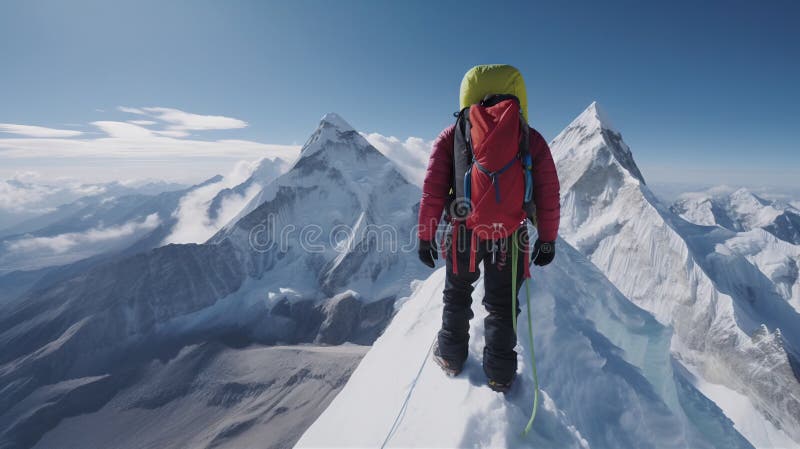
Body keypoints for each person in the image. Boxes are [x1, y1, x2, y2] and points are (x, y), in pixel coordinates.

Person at [416, 64, 560, 392]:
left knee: (457, 294)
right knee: (502, 302)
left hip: (464, 231)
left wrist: (426, 235)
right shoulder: (529, 137)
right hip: (510, 235)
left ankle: (451, 356)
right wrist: (548, 239)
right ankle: (500, 374)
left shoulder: (452, 135)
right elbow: (548, 191)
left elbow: (433, 189)